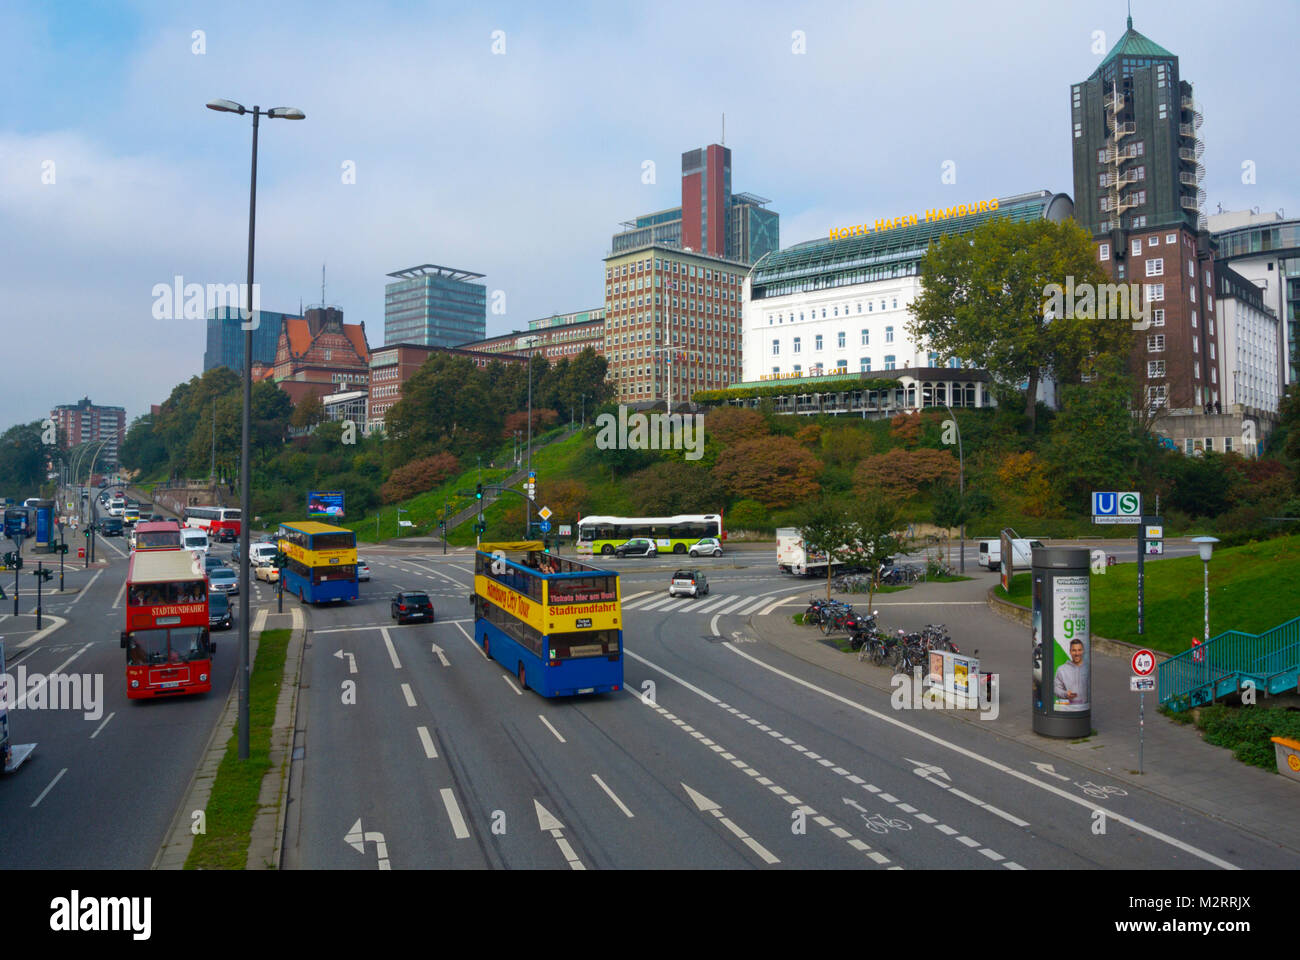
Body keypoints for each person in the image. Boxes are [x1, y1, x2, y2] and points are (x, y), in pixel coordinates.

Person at [1054, 638, 1089, 711]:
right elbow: (1056, 688)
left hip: (1084, 708)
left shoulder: (1087, 668)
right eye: (1074, 650)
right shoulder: (1062, 669)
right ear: (1070, 651)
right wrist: (1066, 694)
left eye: (1079, 650)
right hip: (1068, 708)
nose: (1077, 653)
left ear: (1083, 651)